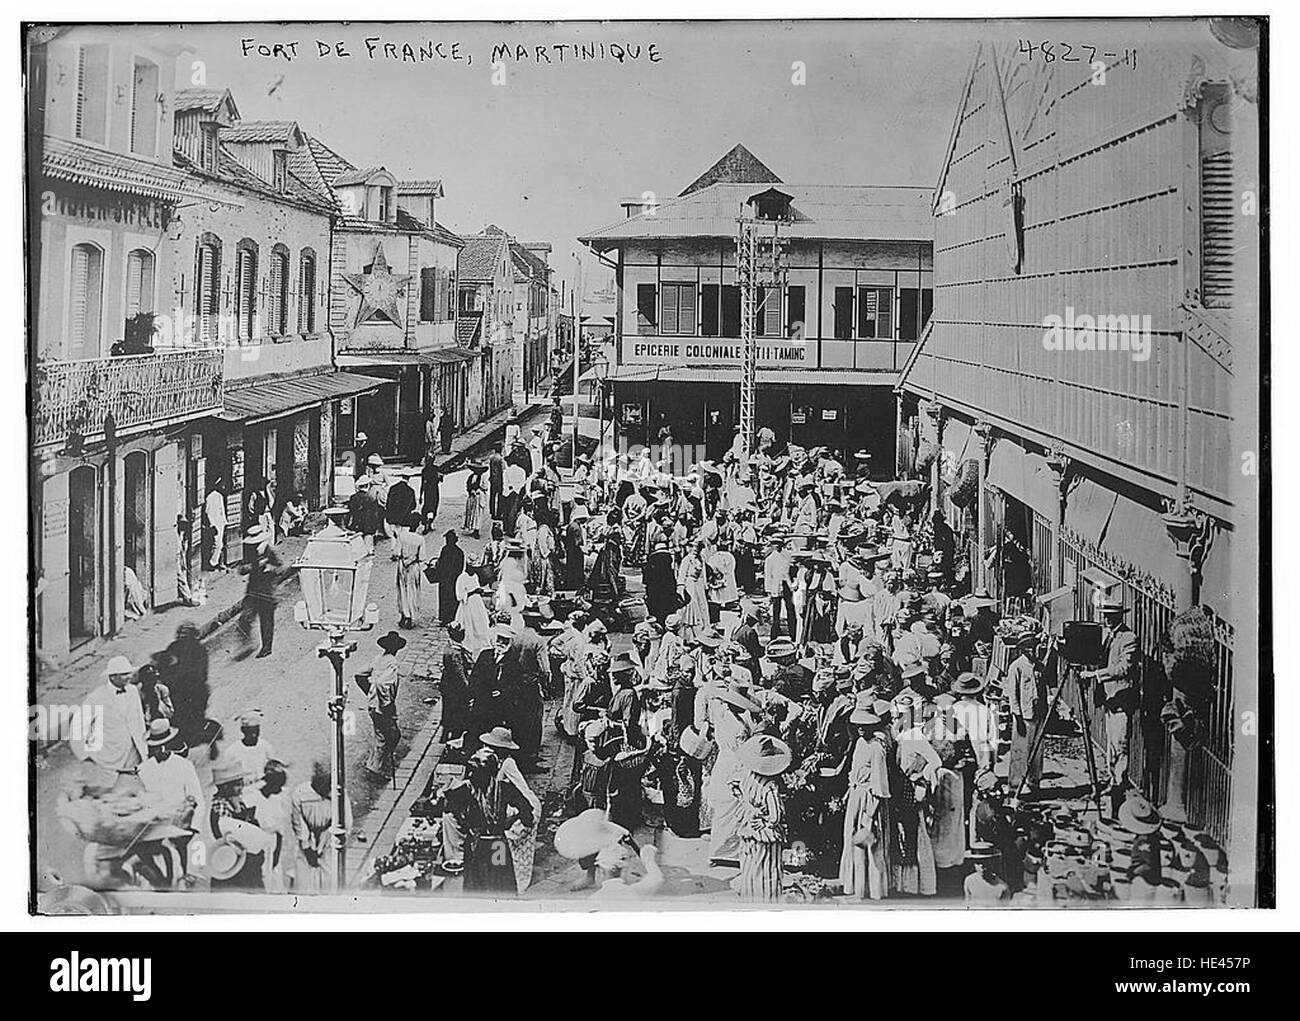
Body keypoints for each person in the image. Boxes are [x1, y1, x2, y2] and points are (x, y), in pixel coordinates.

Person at [1081, 599, 1140, 816]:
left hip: (1122, 700)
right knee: (1111, 746)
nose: (1106, 618)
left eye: (1110, 615)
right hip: (1109, 698)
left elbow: (1124, 667)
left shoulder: (1129, 638)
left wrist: (1096, 675)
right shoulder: (1108, 635)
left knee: (1120, 744)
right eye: (1105, 614)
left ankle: (1119, 788)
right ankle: (1112, 780)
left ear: (1119, 616)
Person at [839, 694, 891, 900]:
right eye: (858, 723)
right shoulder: (860, 743)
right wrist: (847, 795)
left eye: (864, 724)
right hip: (856, 796)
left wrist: (870, 814)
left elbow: (880, 784)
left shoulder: (877, 748)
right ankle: (855, 885)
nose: (861, 728)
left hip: (870, 800)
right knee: (852, 841)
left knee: (869, 844)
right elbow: (854, 772)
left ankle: (874, 889)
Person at [733, 734, 791, 901]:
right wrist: (766, 820)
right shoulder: (769, 787)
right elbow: (775, 816)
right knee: (767, 867)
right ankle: (767, 899)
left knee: (750, 864)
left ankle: (749, 896)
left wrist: (748, 806)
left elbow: (734, 787)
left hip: (748, 825)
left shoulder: (746, 776)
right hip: (764, 832)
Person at [70, 656, 147, 773]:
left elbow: (138, 718)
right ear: (112, 677)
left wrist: (144, 744)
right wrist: (86, 758)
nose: (129, 677)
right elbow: (77, 728)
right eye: (124, 674)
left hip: (135, 753)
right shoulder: (96, 698)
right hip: (110, 758)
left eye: (129, 673)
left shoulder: (133, 691)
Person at [290, 761, 349, 892]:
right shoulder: (300, 793)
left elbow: (345, 822)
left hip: (329, 841)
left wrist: (325, 841)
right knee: (304, 881)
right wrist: (306, 847)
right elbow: (298, 822)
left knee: (330, 880)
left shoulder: (338, 794)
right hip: (307, 841)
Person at [1005, 633, 1048, 795]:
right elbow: (1013, 694)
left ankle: (1034, 782)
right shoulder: (1016, 667)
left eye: (1033, 645)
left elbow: (1044, 690)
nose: (1031, 649)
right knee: (1020, 751)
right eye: (1027, 646)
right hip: (1024, 716)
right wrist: (1017, 716)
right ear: (1022, 649)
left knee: (1037, 751)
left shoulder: (1039, 666)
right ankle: (1015, 785)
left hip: (1039, 713)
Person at [358, 631, 404, 779]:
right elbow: (381, 683)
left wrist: (369, 692)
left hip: (373, 704)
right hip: (383, 707)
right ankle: (376, 768)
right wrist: (386, 703)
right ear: (396, 648)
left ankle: (374, 763)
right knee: (389, 736)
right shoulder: (393, 663)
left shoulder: (378, 659)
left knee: (381, 734)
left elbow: (359, 674)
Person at [160, 622, 209, 750]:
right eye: (181, 635)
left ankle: (194, 734)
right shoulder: (173, 648)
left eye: (185, 636)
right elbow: (164, 667)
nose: (182, 638)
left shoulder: (199, 651)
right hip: (177, 689)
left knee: (196, 706)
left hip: (194, 689)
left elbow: (201, 674)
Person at [237, 525, 281, 658]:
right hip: (253, 590)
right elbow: (241, 569)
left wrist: (269, 568)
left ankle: (266, 647)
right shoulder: (250, 551)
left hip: (267, 591)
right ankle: (247, 642)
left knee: (266, 621)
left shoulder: (268, 550)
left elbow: (279, 568)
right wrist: (251, 567)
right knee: (245, 618)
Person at [439, 623, 472, 747]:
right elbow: (459, 673)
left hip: (447, 683)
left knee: (447, 709)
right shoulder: (456, 652)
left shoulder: (449, 646)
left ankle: (445, 732)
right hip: (455, 686)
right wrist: (468, 686)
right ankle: (452, 736)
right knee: (456, 710)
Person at [226, 708, 277, 784]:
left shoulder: (266, 746)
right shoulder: (232, 750)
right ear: (243, 730)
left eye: (256, 730)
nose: (254, 734)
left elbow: (274, 767)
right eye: (250, 731)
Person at [395, 512, 425, 629]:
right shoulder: (420, 539)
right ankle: (412, 615)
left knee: (402, 589)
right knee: (413, 591)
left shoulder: (402, 536)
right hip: (413, 567)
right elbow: (422, 557)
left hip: (402, 566)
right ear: (417, 525)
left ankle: (404, 614)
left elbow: (397, 553)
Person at [765, 536, 796, 640]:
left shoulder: (788, 555)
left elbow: (791, 569)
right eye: (774, 543)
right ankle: (774, 634)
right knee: (776, 611)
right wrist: (768, 591)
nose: (777, 545)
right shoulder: (770, 558)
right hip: (775, 585)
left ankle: (793, 633)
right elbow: (768, 575)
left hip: (786, 584)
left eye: (778, 543)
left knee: (790, 609)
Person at [431, 530, 465, 626]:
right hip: (450, 579)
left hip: (449, 579)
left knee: (447, 598)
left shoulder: (447, 550)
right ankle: (447, 618)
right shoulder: (457, 551)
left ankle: (448, 618)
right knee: (448, 598)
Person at [385, 474, 417, 548]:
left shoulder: (393, 488)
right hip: (404, 517)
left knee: (394, 535)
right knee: (403, 535)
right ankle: (401, 552)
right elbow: (413, 506)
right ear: (409, 478)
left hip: (392, 517)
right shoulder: (410, 491)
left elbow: (388, 503)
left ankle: (394, 552)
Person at [204, 480, 228, 571]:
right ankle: (212, 563)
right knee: (216, 544)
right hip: (215, 523)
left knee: (220, 544)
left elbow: (222, 511)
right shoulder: (210, 497)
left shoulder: (219, 496)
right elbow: (208, 512)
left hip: (220, 522)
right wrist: (212, 524)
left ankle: (217, 562)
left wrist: (224, 522)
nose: (223, 487)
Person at [463, 463, 485, 538]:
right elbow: (468, 485)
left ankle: (477, 530)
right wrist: (471, 490)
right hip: (472, 497)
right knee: (470, 513)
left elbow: (485, 487)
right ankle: (471, 527)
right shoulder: (471, 477)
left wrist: (478, 490)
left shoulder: (482, 478)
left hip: (479, 497)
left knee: (477, 514)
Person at [420, 457, 441, 530]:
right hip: (434, 490)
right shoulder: (436, 469)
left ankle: (426, 522)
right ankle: (430, 522)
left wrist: (420, 495)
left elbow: (422, 483)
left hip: (427, 490)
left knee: (426, 507)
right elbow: (440, 479)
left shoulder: (424, 470)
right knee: (434, 507)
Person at [488, 445, 505, 521]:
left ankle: (491, 512)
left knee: (492, 496)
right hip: (499, 480)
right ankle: (498, 513)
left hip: (492, 479)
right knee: (500, 497)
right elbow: (502, 470)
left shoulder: (491, 457)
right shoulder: (501, 459)